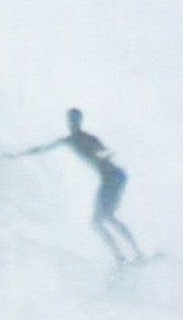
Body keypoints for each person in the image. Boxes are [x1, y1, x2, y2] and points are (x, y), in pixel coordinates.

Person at [8, 108, 144, 264]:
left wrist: (103, 154)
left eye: (75, 120)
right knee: (98, 221)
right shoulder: (68, 140)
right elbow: (41, 149)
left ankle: (136, 254)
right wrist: (17, 155)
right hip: (108, 179)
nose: (72, 123)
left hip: (115, 177)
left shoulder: (88, 138)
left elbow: (106, 151)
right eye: (70, 120)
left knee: (104, 218)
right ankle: (121, 257)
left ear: (80, 121)